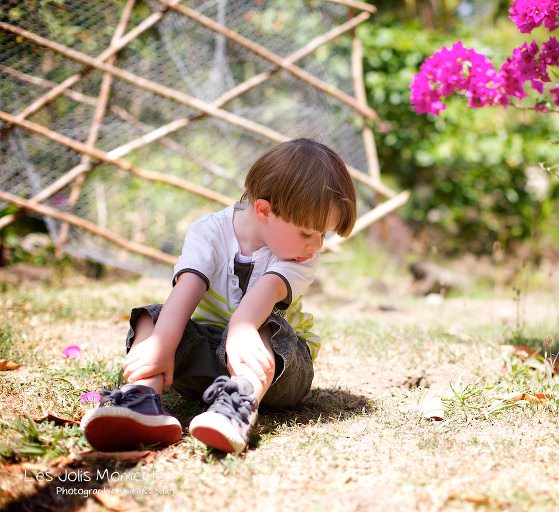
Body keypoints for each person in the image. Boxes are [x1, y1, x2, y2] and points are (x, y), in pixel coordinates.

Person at [80, 138, 356, 454]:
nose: (316, 245)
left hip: (277, 368)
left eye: (324, 234)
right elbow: (186, 291)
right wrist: (161, 345)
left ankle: (238, 404)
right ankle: (141, 397)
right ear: (264, 209)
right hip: (207, 357)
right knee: (153, 318)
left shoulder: (299, 256)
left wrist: (242, 335)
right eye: (308, 232)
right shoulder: (209, 231)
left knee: (267, 328)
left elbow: (260, 302)